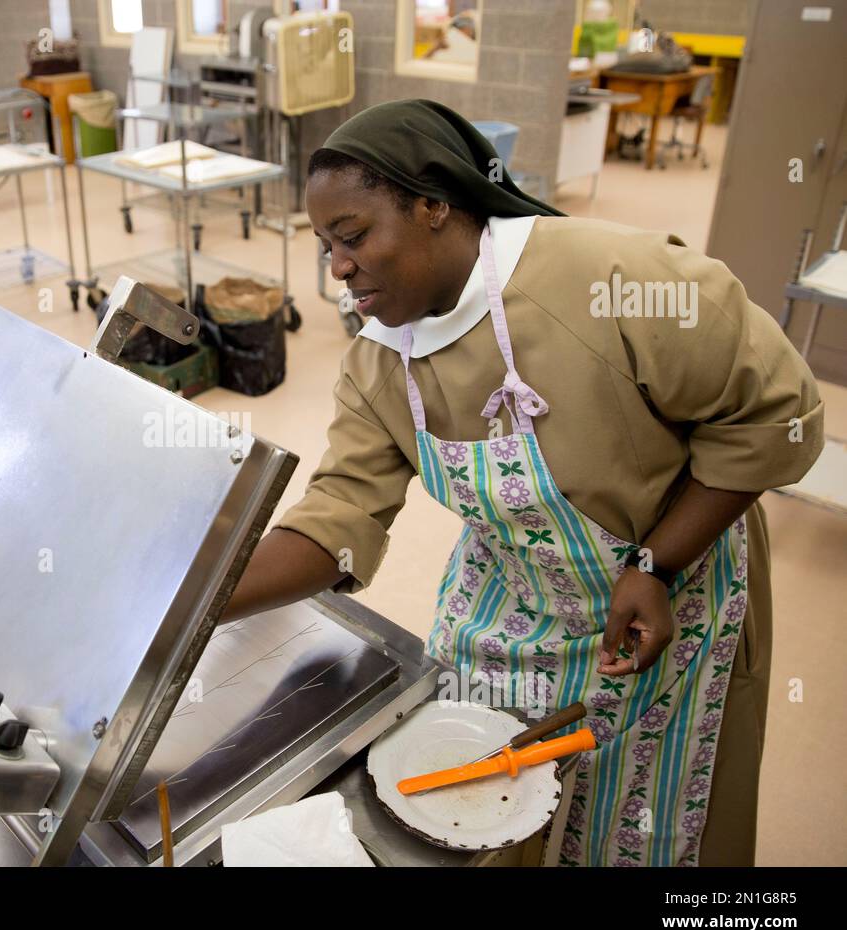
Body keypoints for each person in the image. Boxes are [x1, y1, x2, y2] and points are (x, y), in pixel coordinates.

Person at [222, 100, 824, 866]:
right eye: (325, 246)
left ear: (435, 205)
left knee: (635, 825)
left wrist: (656, 564)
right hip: (514, 597)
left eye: (354, 237)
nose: (336, 268)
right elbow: (339, 512)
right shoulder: (380, 360)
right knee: (480, 803)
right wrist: (195, 600)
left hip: (667, 591)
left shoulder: (613, 283)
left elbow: (777, 413)